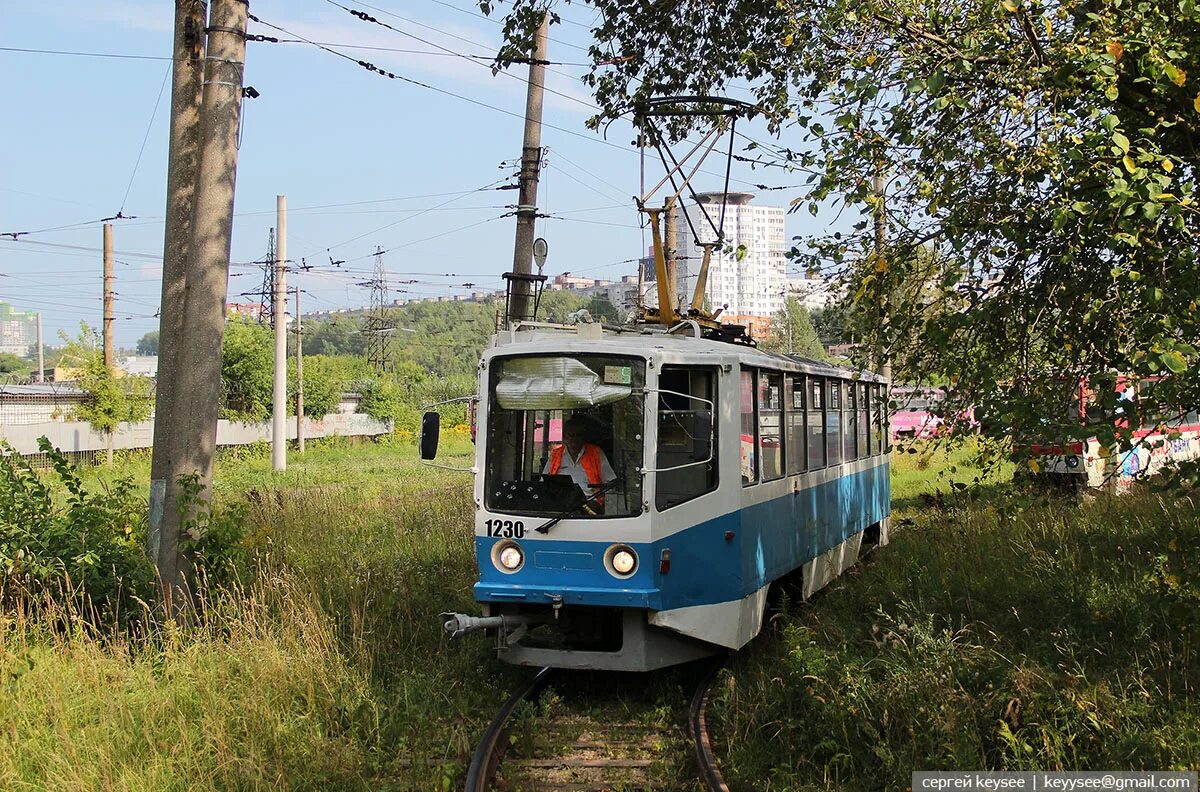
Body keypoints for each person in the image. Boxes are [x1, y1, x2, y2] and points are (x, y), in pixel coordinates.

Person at [543, 416, 616, 508]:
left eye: (579, 435)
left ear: (583, 437)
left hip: (589, 502)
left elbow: (610, 483)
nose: (575, 439)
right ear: (565, 437)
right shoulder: (555, 455)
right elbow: (543, 483)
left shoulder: (596, 453)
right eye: (572, 435)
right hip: (560, 502)